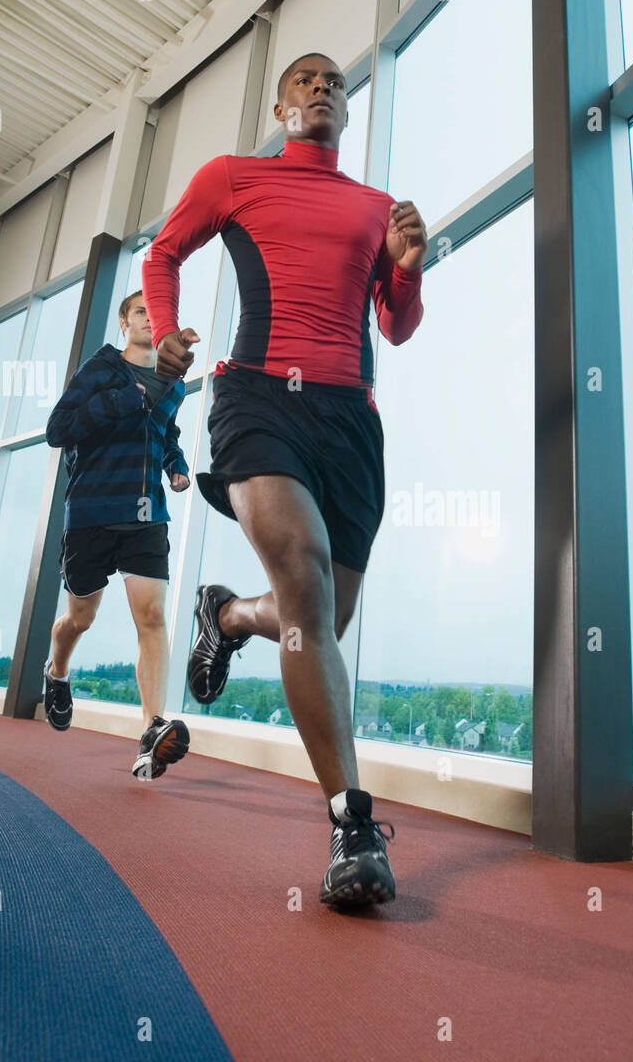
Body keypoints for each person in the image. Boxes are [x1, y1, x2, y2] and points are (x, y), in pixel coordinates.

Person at [142, 52, 427, 907]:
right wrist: (164, 333)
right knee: (302, 569)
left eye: (334, 81)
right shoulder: (233, 177)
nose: (320, 88)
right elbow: (164, 253)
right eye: (304, 79)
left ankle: (226, 614)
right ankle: (350, 825)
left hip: (349, 424)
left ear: (347, 108)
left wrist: (408, 267)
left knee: (322, 617)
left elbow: (397, 326)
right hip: (258, 396)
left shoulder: (378, 209)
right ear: (279, 104)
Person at [43, 290, 192, 780]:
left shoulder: (173, 382)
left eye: (157, 311)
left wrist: (176, 464)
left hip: (147, 514)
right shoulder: (100, 369)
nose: (151, 318)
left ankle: (152, 731)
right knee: (80, 618)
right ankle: (57, 671)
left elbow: (165, 432)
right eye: (140, 311)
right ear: (124, 323)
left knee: (151, 616)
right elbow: (58, 428)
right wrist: (124, 400)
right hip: (91, 512)